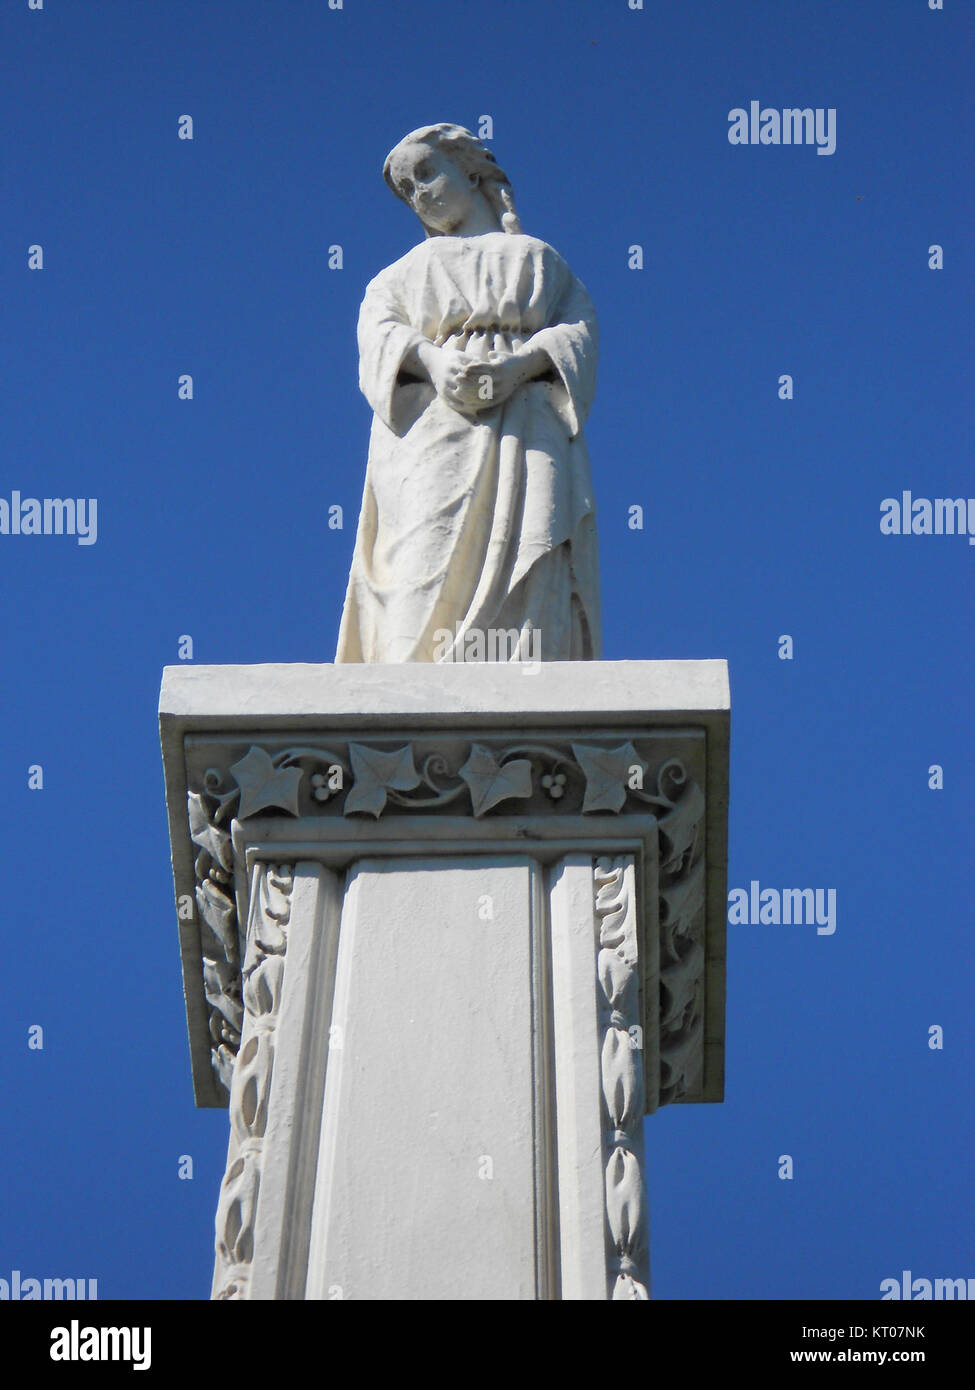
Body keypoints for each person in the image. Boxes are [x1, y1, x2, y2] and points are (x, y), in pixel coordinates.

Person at [335, 123, 601, 663]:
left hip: (528, 422)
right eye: (408, 191)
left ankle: (526, 700)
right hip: (433, 426)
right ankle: (409, 694)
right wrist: (433, 361)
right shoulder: (400, 275)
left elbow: (580, 332)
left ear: (471, 169)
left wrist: (521, 366)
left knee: (533, 549)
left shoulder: (538, 259)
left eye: (428, 174)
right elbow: (379, 333)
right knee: (422, 557)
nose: (421, 195)